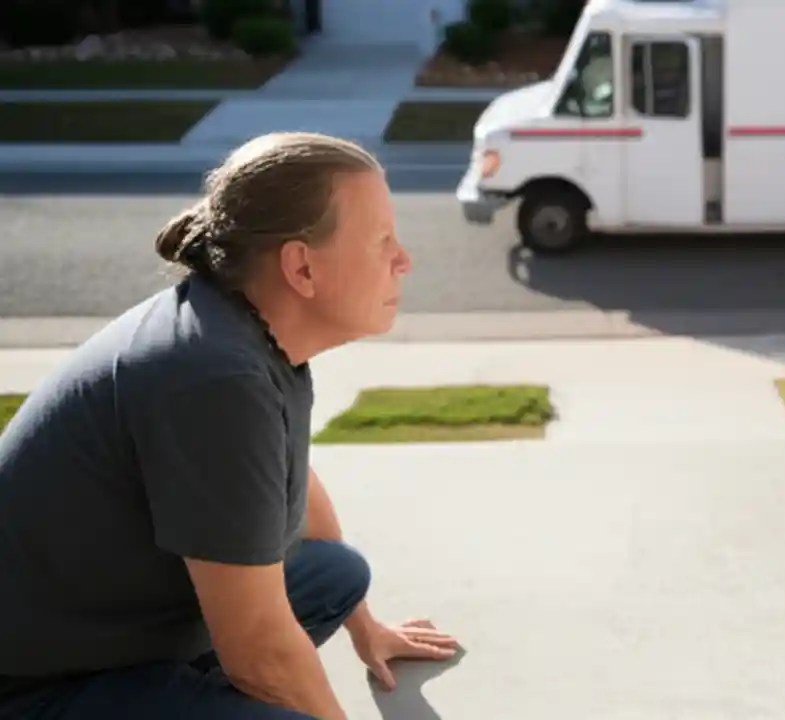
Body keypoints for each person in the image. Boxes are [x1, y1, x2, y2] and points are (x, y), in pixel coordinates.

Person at [0, 132, 458, 719]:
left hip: (117, 628)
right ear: (301, 267)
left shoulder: (248, 335)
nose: (404, 259)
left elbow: (293, 477)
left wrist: (366, 629)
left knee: (338, 575)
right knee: (276, 673)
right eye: (382, 241)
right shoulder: (212, 377)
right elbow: (260, 654)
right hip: (40, 683)